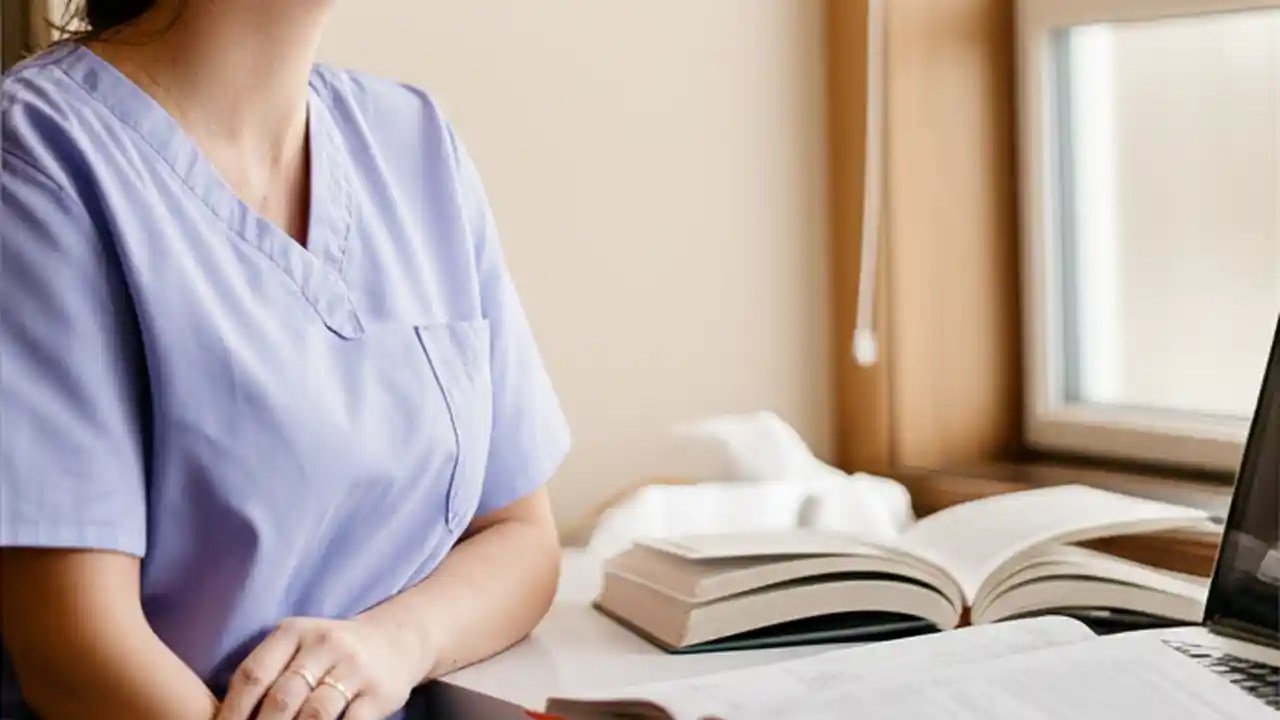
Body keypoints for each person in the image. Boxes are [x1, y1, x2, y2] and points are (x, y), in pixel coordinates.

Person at [0, 1, 570, 718]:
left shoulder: (414, 142)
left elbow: (520, 536)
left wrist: (394, 642)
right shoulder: (39, 156)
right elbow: (74, 651)